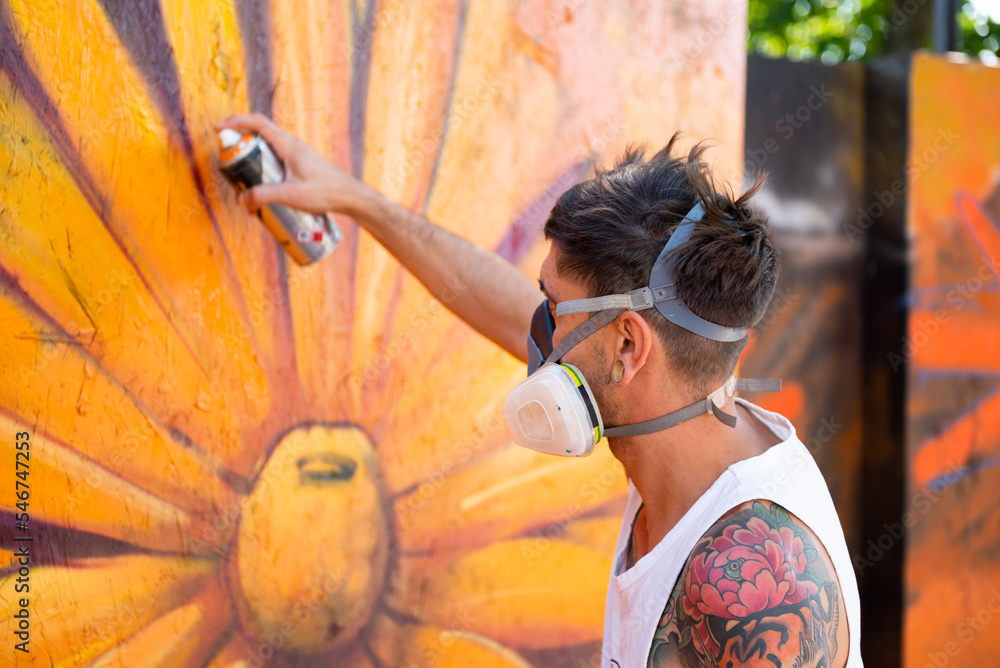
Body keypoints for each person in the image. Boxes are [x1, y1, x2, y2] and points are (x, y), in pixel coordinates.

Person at [215, 114, 863, 667]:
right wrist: (359, 202)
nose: (540, 334)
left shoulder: (758, 585)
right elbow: (499, 303)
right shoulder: (691, 433)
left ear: (629, 347)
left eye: (557, 310)